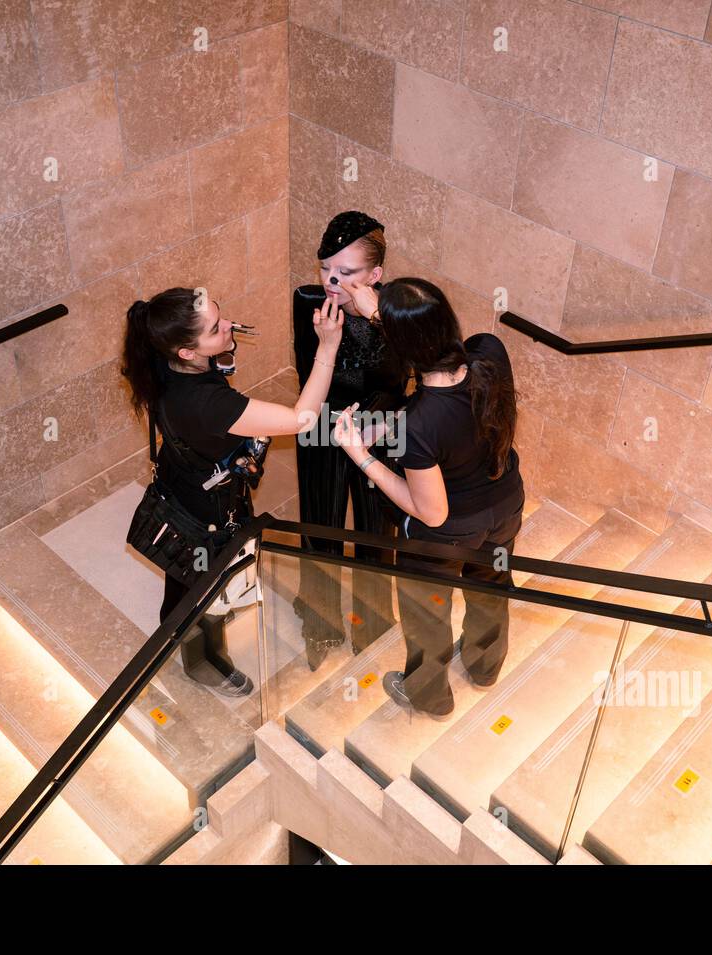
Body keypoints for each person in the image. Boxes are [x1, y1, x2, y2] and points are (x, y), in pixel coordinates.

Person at [123, 287, 344, 696]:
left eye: (220, 315)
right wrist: (327, 347)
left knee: (184, 573)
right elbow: (301, 418)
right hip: (207, 508)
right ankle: (201, 660)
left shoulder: (163, 359)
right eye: (214, 329)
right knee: (204, 583)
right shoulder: (206, 404)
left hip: (182, 481)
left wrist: (218, 348)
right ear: (187, 352)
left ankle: (176, 624)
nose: (228, 325)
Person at [332, 277, 524, 719]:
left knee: (428, 609)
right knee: (491, 585)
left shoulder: (420, 424)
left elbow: (431, 512)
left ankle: (429, 695)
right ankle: (484, 665)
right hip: (506, 505)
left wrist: (361, 456)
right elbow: (451, 397)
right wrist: (384, 315)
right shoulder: (488, 353)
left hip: (448, 534)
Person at [291, 211, 408, 668]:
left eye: (346, 271)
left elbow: (404, 380)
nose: (332, 280)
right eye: (325, 268)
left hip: (380, 428)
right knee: (320, 522)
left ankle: (373, 623)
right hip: (322, 425)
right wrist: (329, 342)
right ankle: (319, 623)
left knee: (376, 531)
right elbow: (308, 376)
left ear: (375, 275)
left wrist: (377, 322)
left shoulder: (397, 311)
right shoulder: (307, 302)